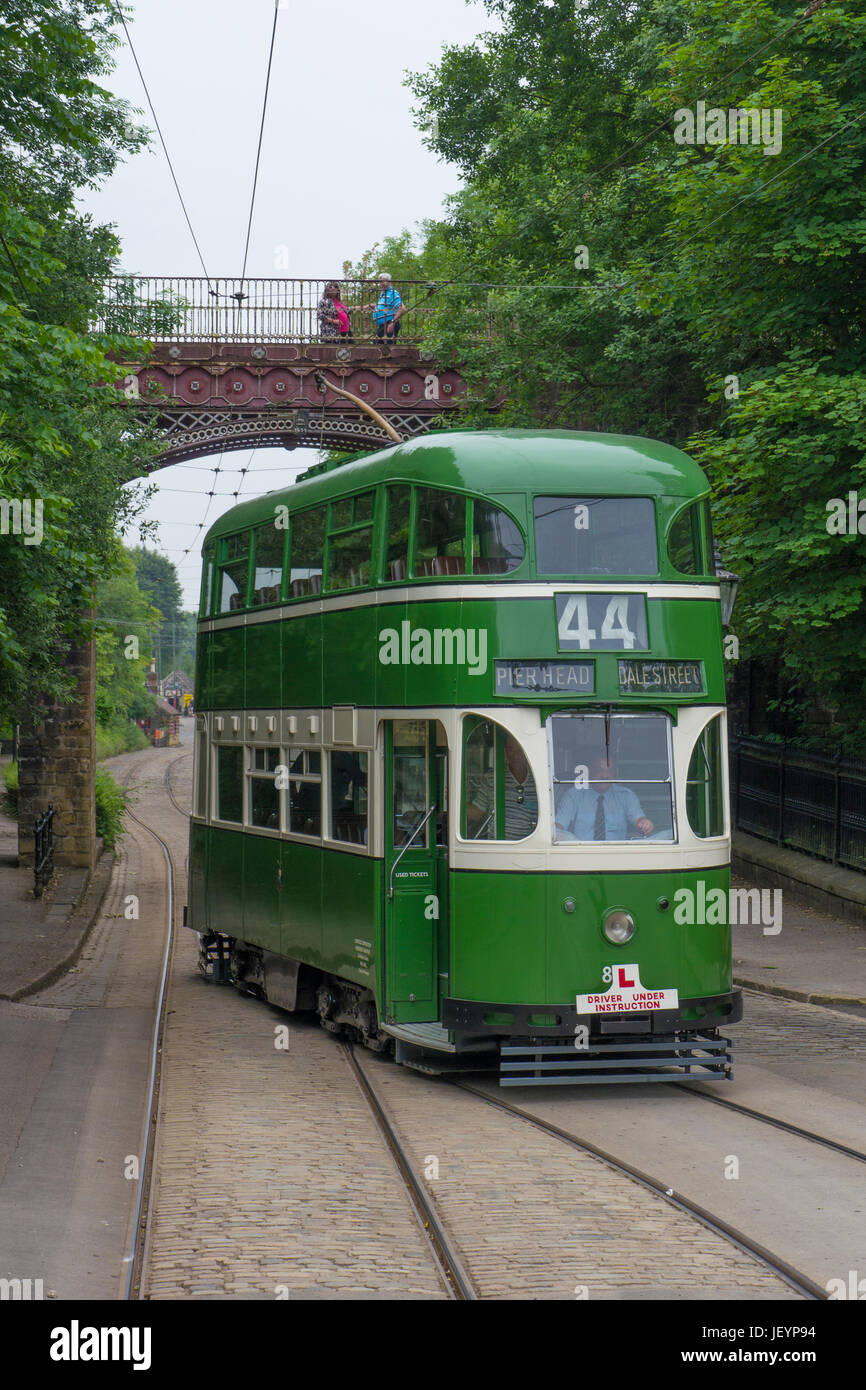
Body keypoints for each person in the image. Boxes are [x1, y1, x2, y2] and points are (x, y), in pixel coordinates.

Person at [555, 754, 654, 842]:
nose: (605, 775)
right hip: (582, 855)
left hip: (617, 855)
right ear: (590, 771)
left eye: (610, 770)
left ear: (615, 773)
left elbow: (639, 820)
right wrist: (557, 834)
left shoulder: (626, 796)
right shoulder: (573, 796)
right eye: (599, 770)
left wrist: (645, 824)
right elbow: (558, 826)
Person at [466, 733, 538, 840]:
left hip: (531, 847)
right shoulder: (492, 777)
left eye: (520, 749)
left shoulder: (537, 777)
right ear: (505, 751)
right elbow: (477, 813)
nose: (515, 754)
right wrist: (455, 801)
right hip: (498, 847)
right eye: (511, 749)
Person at [357, 271, 405, 341]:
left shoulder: (393, 292)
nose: (380, 284)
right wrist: (375, 306)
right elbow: (386, 306)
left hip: (390, 324)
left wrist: (392, 323)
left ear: (388, 282)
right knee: (377, 346)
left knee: (386, 348)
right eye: (380, 282)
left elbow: (402, 309)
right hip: (383, 325)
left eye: (382, 282)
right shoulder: (383, 293)